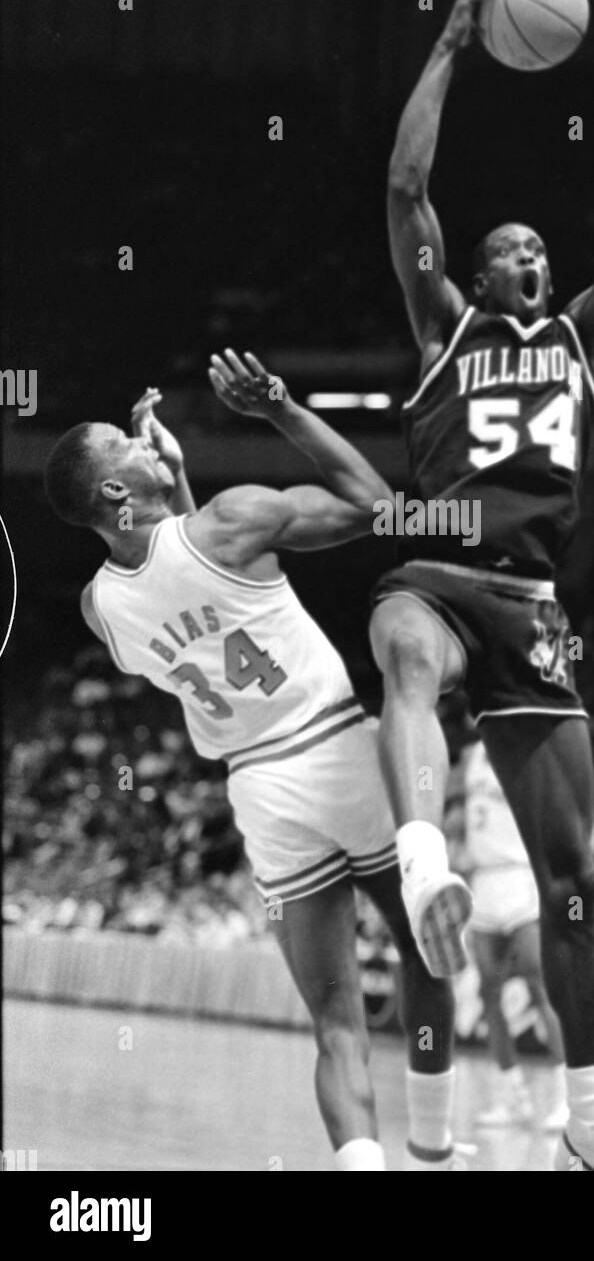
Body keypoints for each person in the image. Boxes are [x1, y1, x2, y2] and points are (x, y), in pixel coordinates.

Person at [369, 0, 594, 1171]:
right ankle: (423, 854)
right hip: (439, 570)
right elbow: (402, 188)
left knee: (572, 883)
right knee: (398, 646)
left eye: (540, 249)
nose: (529, 257)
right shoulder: (442, 328)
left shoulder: (583, 334)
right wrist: (447, 45)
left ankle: (591, 1127)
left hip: (533, 605)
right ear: (476, 272)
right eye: (508, 249)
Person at [43, 351, 462, 1171]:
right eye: (123, 447)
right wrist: (279, 411)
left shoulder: (101, 610)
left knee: (336, 1021)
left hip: (261, 793)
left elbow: (187, 586)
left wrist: (175, 481)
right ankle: (437, 1145)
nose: (144, 443)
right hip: (336, 747)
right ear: (118, 494)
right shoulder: (231, 520)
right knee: (421, 949)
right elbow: (376, 505)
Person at [457, 739, 567, 1132]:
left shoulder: (530, 749)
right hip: (483, 878)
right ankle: (512, 1096)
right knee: (489, 993)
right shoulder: (472, 754)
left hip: (520, 875)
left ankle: (564, 1096)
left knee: (541, 983)